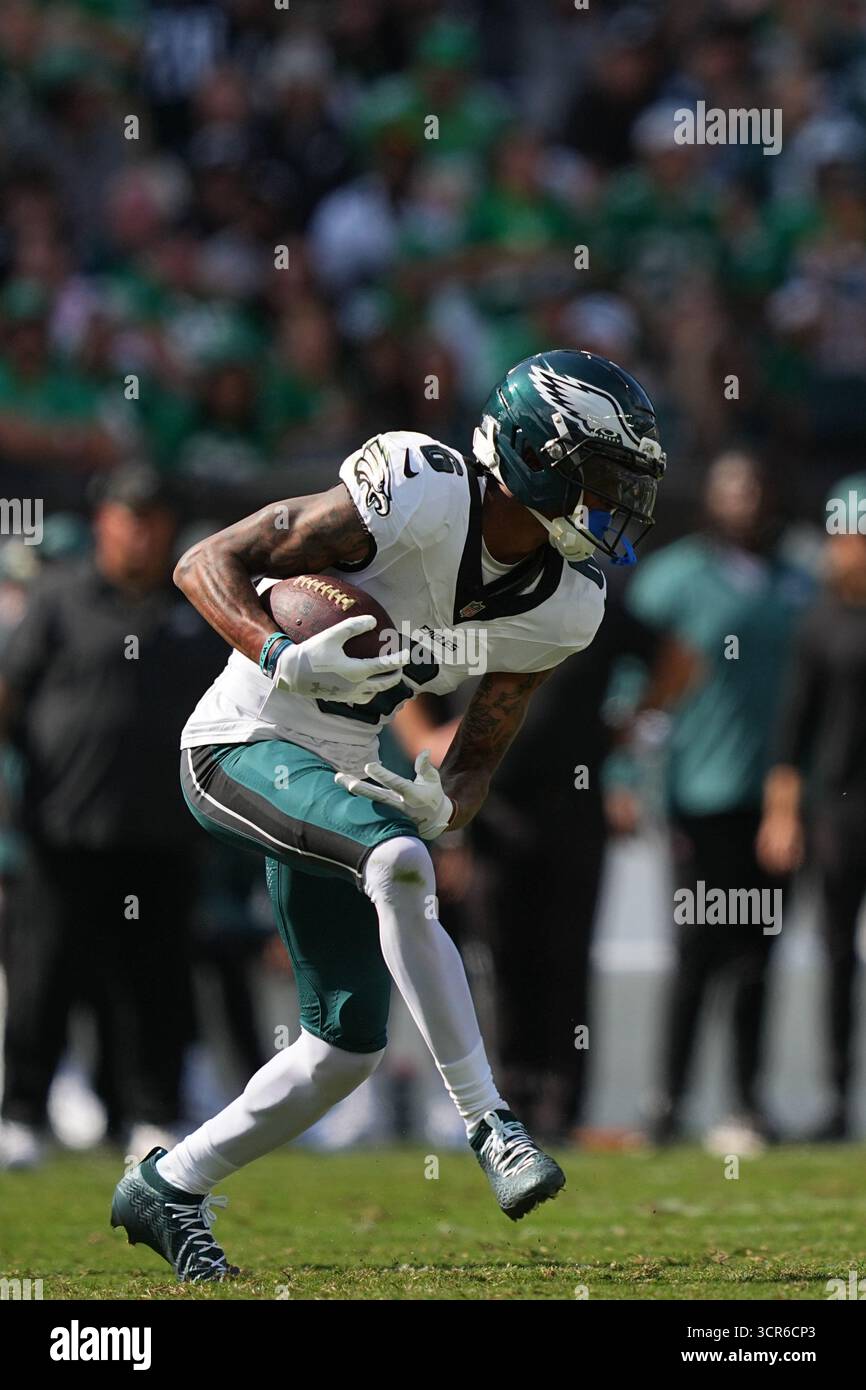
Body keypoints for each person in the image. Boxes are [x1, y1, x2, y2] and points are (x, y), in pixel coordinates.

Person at [111, 348, 667, 1282]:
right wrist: (277, 653)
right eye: (601, 478)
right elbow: (207, 562)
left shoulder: (567, 605)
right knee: (398, 863)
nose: (615, 506)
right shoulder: (417, 488)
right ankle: (493, 1125)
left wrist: (445, 801)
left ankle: (169, 1184)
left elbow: (479, 753)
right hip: (239, 740)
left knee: (342, 1050)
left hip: (342, 768)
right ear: (535, 456)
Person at [0, 465, 226, 1168]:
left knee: (153, 986)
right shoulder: (60, 599)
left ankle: (150, 1117)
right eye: (130, 516)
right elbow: (9, 693)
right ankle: (22, 1116)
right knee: (43, 979)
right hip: (62, 830)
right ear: (104, 522)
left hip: (162, 835)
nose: (140, 531)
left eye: (153, 518)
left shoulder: (193, 604)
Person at [610, 452, 814, 1149]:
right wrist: (620, 779)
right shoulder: (674, 580)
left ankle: (748, 1104)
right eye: (733, 489)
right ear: (711, 501)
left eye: (755, 487)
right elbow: (626, 682)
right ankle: (666, 1104)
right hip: (699, 794)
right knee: (695, 949)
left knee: (758, 954)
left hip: (779, 801)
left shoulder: (799, 579)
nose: (745, 501)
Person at [757, 475, 866, 1139]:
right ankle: (836, 1099)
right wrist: (782, 812)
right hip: (838, 810)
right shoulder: (822, 622)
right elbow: (792, 731)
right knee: (835, 955)